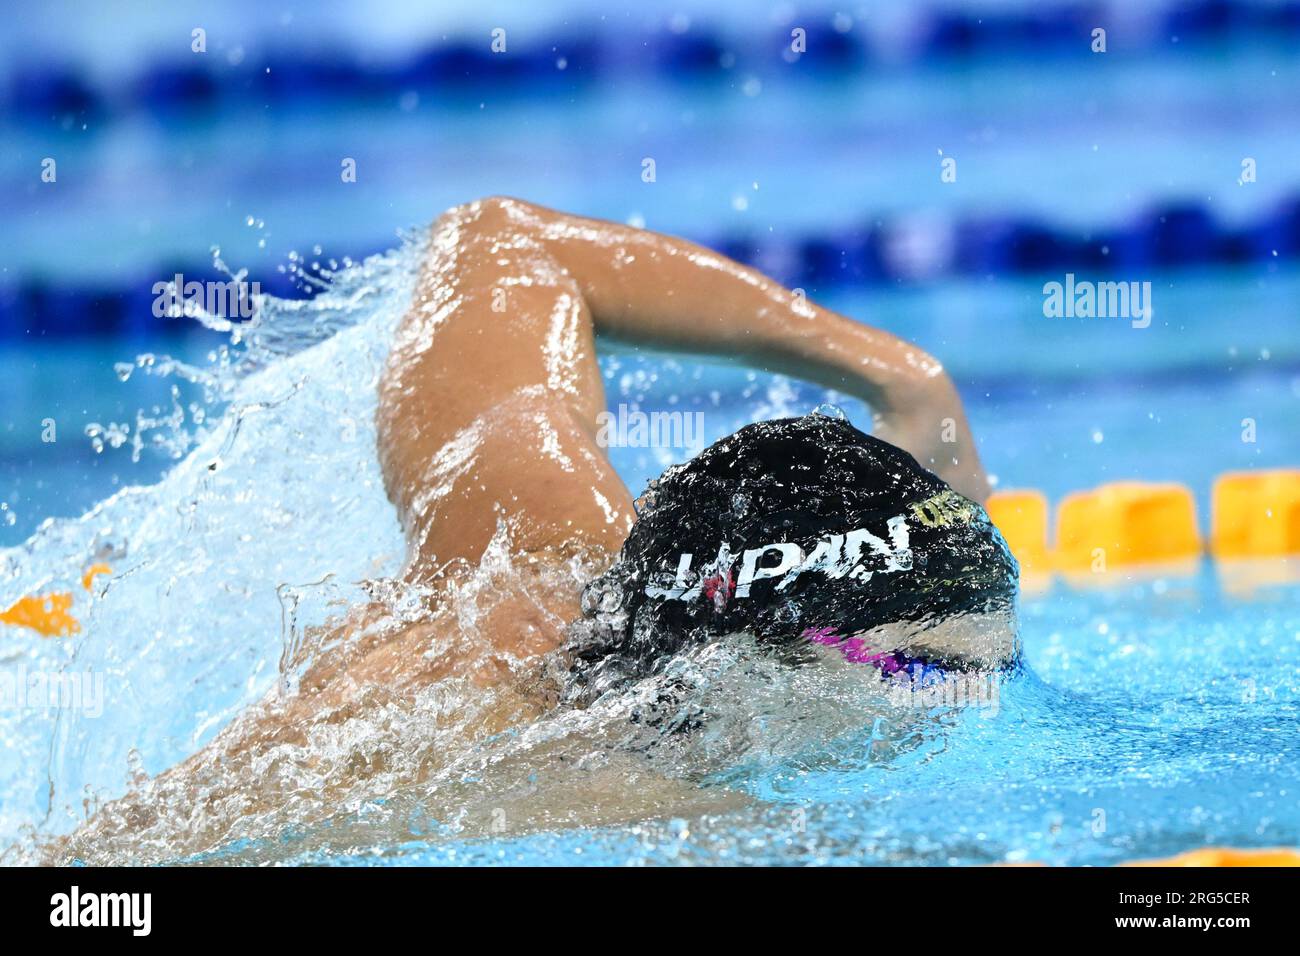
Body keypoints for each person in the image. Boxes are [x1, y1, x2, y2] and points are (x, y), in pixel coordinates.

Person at [50, 197, 1016, 862]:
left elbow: (499, 240)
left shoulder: (524, 521)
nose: (982, 703)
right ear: (757, 663)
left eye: (997, 667)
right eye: (931, 673)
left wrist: (902, 375)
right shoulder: (473, 751)